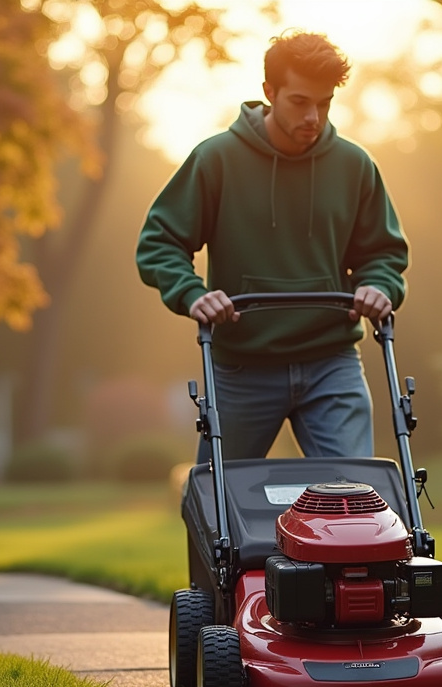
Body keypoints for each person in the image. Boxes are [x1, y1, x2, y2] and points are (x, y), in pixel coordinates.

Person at [136, 30, 409, 463]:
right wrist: (193, 294)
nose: (313, 118)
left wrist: (379, 285)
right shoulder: (216, 160)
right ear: (269, 92)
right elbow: (159, 243)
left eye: (324, 103)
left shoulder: (354, 165)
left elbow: (382, 254)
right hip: (241, 365)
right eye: (300, 102)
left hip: (331, 363)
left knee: (353, 497)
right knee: (218, 504)